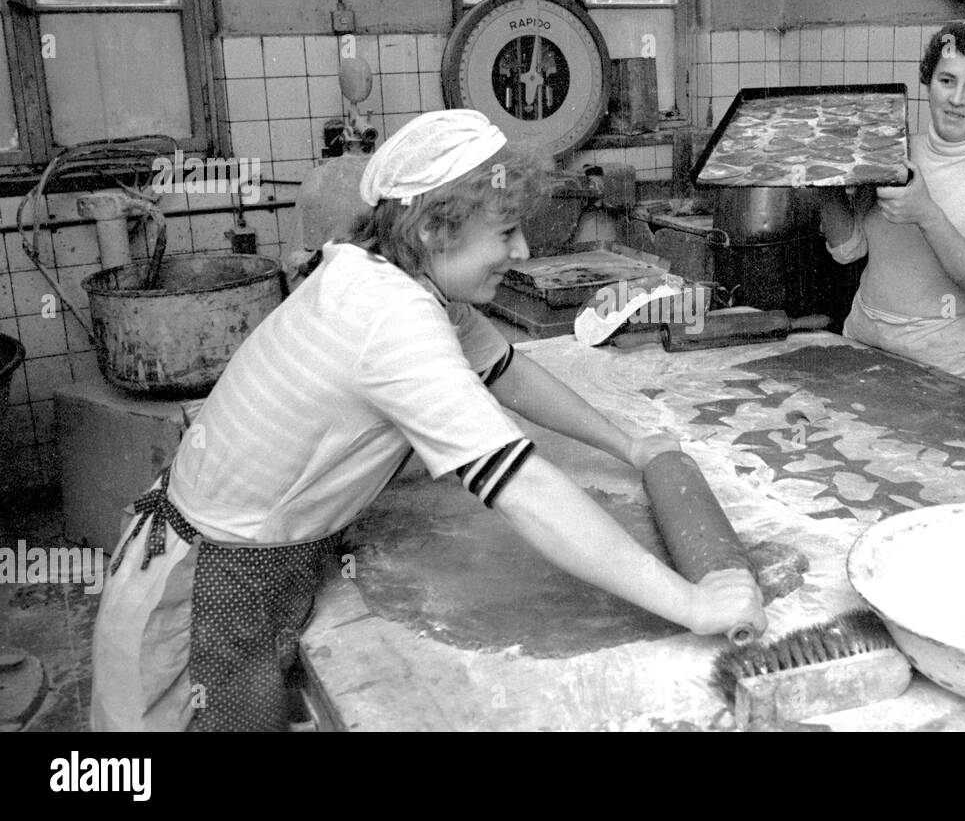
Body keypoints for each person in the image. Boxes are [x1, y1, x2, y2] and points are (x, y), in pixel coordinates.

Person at [92, 110, 767, 732]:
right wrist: (691, 604)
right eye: (505, 233)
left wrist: (632, 445)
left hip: (247, 558)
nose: (525, 251)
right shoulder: (389, 316)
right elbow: (519, 486)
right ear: (434, 230)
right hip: (208, 585)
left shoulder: (395, 277)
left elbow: (506, 371)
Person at [820, 0, 965, 389]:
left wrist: (926, 213)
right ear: (929, 82)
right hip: (865, 347)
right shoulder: (897, 149)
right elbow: (848, 250)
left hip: (950, 369)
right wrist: (825, 185)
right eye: (946, 80)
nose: (956, 99)